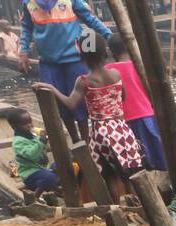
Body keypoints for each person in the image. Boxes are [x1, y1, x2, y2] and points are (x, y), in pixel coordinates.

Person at [34, 40, 144, 202]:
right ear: (105, 53)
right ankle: (135, 204)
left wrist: (52, 88)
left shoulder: (84, 81)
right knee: (128, 174)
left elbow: (71, 104)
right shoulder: (116, 74)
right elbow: (124, 97)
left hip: (101, 132)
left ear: (83, 58)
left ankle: (118, 208)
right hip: (121, 129)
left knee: (109, 176)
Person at [19, 0, 113, 142]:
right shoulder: (28, 3)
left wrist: (110, 37)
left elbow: (90, 19)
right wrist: (23, 51)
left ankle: (87, 141)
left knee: (81, 101)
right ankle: (75, 140)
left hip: (75, 58)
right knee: (56, 103)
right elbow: (26, 27)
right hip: (49, 61)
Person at [107, 34, 166, 171]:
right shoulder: (141, 66)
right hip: (146, 115)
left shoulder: (108, 70)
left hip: (123, 120)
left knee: (134, 157)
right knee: (156, 153)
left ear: (111, 51)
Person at [8, 108, 61, 197]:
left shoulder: (32, 135)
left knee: (64, 164)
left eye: (30, 122)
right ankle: (36, 196)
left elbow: (43, 148)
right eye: (25, 124)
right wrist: (41, 141)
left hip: (43, 169)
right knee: (49, 178)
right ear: (14, 127)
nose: (29, 125)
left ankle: (53, 186)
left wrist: (48, 143)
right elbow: (31, 155)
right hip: (31, 175)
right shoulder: (18, 142)